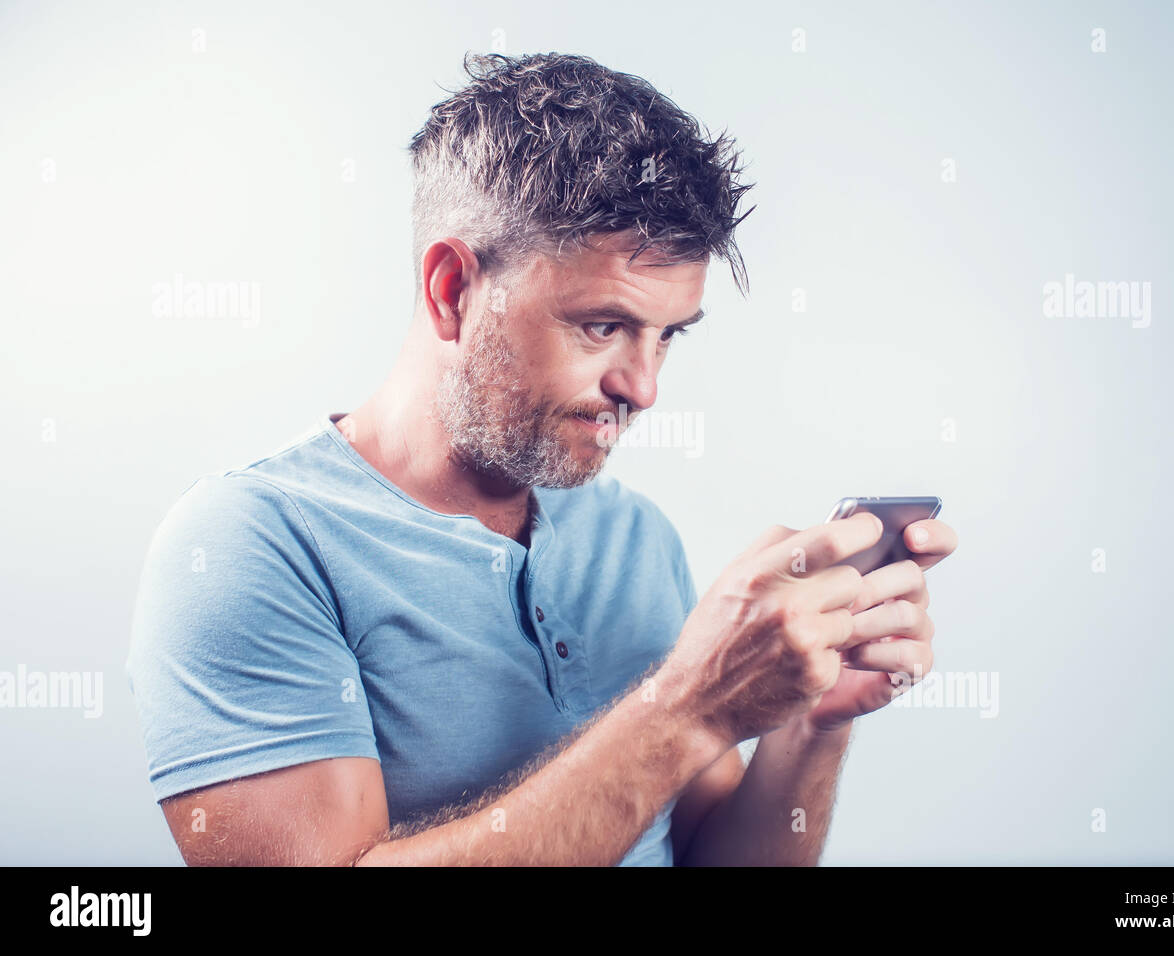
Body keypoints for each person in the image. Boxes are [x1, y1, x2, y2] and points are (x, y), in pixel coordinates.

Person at [125, 51, 957, 866]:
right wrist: (688, 710)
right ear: (452, 291)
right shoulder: (249, 545)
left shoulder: (635, 536)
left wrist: (812, 724)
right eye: (603, 326)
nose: (644, 387)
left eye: (668, 337)